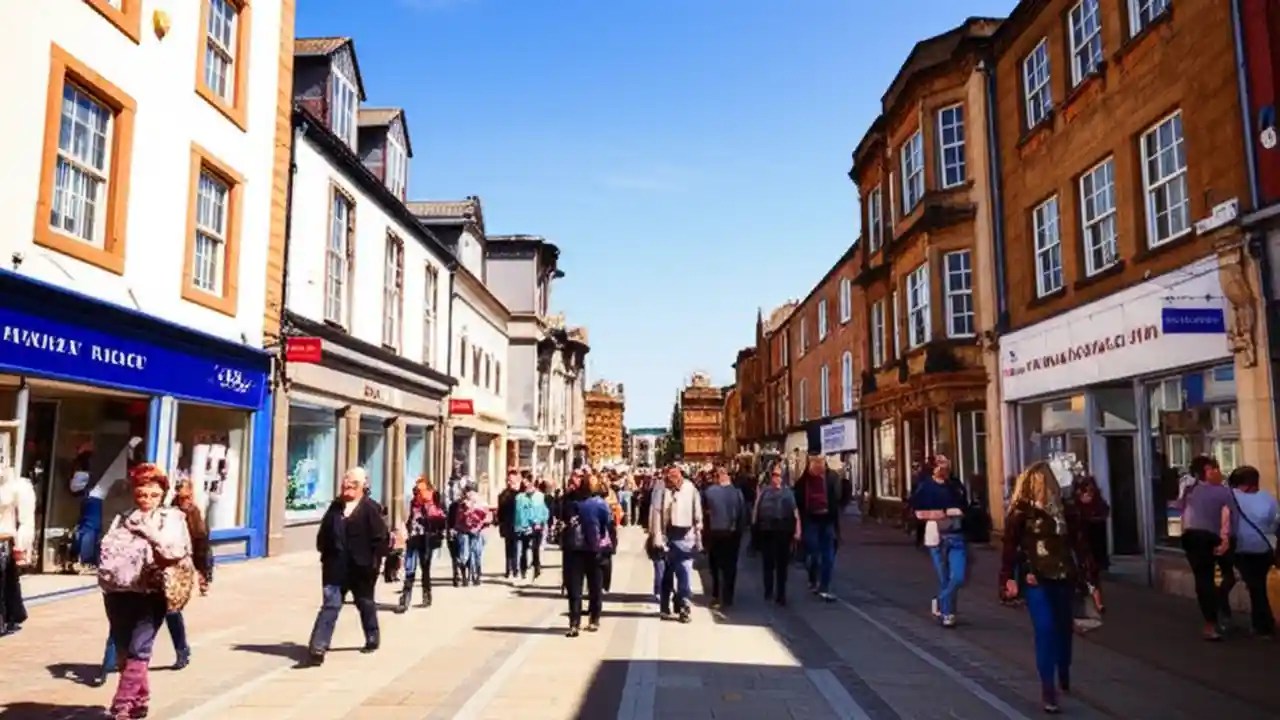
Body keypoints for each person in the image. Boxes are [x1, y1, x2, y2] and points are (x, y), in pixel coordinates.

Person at [97, 463, 193, 720]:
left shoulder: (172, 519)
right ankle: (140, 701)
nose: (146, 499)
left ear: (162, 493)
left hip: (152, 592)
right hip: (117, 591)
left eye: (153, 494)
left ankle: (121, 706)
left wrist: (150, 533)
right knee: (123, 650)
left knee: (140, 648)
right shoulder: (122, 516)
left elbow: (176, 551)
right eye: (141, 493)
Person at [999, 462, 1096, 714]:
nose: (1044, 488)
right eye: (1039, 483)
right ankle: (1048, 689)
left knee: (1063, 629)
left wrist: (1091, 579)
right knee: (1046, 629)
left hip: (1064, 576)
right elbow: (1009, 549)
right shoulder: (1021, 513)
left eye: (1047, 482)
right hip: (1036, 578)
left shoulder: (1065, 511)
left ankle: (1063, 669)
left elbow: (1080, 546)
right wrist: (1008, 579)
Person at [304, 468, 389, 665]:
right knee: (330, 605)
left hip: (362, 568)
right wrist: (325, 554)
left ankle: (372, 637)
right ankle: (318, 646)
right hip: (335, 568)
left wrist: (376, 565)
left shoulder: (370, 509)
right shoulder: (335, 507)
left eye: (353, 484)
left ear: (362, 487)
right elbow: (323, 534)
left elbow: (380, 540)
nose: (347, 487)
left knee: (365, 604)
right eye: (345, 484)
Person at [1175, 455, 1235, 640]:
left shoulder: (1196, 490)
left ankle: (1214, 614)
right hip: (1202, 536)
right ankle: (1212, 618)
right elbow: (1234, 515)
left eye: (1217, 468)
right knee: (1206, 577)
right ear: (1203, 473)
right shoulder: (1207, 490)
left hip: (1202, 537)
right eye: (1212, 469)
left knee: (1216, 577)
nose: (1217, 472)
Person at [910, 454, 967, 627]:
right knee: (944, 578)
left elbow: (964, 508)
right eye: (940, 464)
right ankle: (948, 613)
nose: (944, 467)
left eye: (946, 463)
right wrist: (942, 513)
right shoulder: (925, 487)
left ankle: (942, 601)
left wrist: (953, 512)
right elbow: (918, 512)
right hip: (936, 537)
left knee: (957, 577)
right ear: (933, 467)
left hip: (956, 535)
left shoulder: (955, 486)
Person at [1227, 465, 1278, 638]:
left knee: (1256, 588)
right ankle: (1262, 624)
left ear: (1242, 485)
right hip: (1264, 548)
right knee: (1258, 586)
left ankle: (1265, 625)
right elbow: (1274, 523)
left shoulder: (1233, 497)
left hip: (1242, 548)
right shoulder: (1268, 498)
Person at [650, 465, 702, 623]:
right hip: (666, 535)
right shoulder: (660, 488)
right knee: (665, 572)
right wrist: (656, 536)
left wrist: (698, 529)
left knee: (684, 571)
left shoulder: (690, 488)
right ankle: (665, 606)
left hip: (685, 535)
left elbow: (696, 509)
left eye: (673, 478)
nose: (670, 481)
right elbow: (655, 512)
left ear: (679, 477)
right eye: (668, 478)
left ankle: (684, 603)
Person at [563, 477, 613, 636]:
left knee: (575, 589)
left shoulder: (572, 503)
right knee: (595, 587)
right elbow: (608, 524)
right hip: (595, 549)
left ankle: (574, 623)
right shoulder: (602, 504)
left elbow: (563, 521)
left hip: (575, 549)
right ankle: (594, 619)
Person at [794, 455, 842, 602]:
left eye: (821, 462)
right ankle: (813, 577)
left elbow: (839, 495)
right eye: (815, 463)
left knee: (828, 556)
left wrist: (836, 512)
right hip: (810, 521)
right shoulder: (804, 482)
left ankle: (824, 586)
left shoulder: (832, 477)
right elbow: (798, 501)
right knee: (813, 554)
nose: (818, 466)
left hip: (827, 520)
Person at [396, 478, 446, 612]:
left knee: (425, 569)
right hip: (413, 540)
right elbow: (406, 520)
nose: (417, 493)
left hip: (427, 541)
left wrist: (431, 519)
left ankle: (426, 594)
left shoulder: (434, 504)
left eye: (420, 490)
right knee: (409, 569)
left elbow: (442, 521)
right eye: (416, 490)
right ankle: (405, 598)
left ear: (429, 491)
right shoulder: (412, 504)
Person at [753, 464, 800, 605]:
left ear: (783, 477)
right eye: (774, 475)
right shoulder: (765, 492)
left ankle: (781, 594)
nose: (776, 478)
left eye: (778, 475)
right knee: (768, 563)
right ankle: (768, 591)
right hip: (767, 531)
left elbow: (795, 513)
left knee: (782, 565)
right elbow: (757, 509)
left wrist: (798, 531)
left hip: (783, 532)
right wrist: (754, 527)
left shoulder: (788, 493)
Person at [704, 465, 747, 608]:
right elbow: (743, 515)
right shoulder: (738, 493)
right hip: (733, 534)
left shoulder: (709, 492)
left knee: (715, 565)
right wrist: (740, 532)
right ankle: (728, 595)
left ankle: (716, 594)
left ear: (717, 476)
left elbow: (704, 514)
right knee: (730, 566)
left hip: (715, 533)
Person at [514, 477, 549, 580]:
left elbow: (545, 511)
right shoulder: (520, 497)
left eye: (529, 485)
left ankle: (536, 568)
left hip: (537, 526)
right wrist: (519, 526)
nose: (527, 487)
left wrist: (542, 521)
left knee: (535, 549)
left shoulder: (540, 496)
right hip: (524, 526)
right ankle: (523, 570)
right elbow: (518, 513)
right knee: (524, 549)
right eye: (525, 485)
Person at [455, 486, 490, 586]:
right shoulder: (461, 504)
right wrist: (465, 511)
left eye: (471, 492)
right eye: (467, 493)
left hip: (477, 531)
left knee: (476, 553)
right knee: (465, 555)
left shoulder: (481, 503)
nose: (469, 495)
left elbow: (487, 517)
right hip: (464, 531)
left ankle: (476, 575)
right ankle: (466, 576)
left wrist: (480, 523)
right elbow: (458, 519)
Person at [497, 472, 521, 579]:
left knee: (515, 547)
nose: (509, 483)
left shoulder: (519, 495)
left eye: (511, 481)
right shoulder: (503, 495)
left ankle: (515, 568)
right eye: (508, 480)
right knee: (508, 547)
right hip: (507, 524)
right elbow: (500, 512)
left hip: (517, 524)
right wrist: (500, 522)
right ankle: (508, 569)